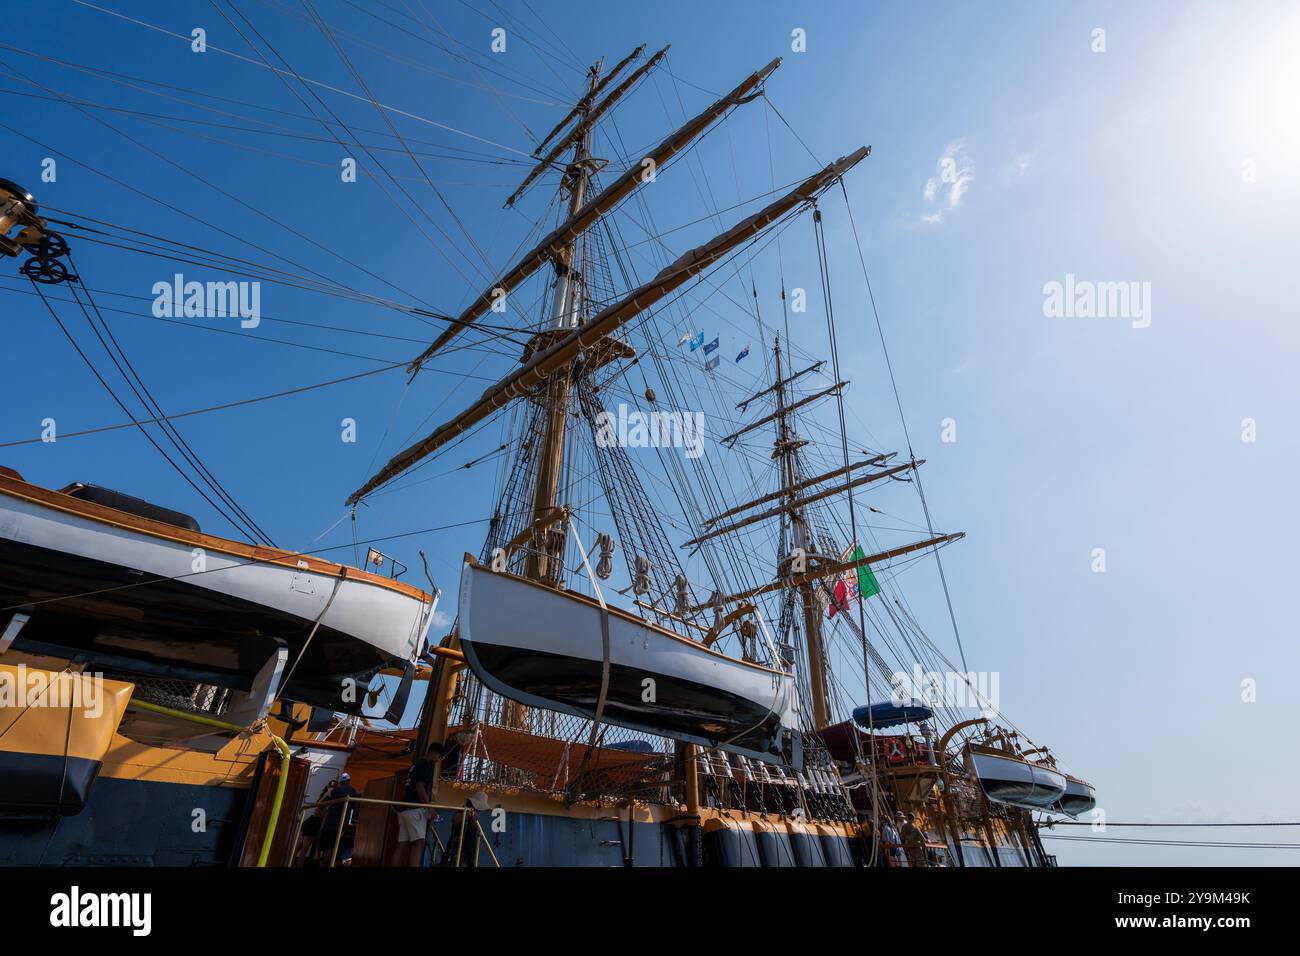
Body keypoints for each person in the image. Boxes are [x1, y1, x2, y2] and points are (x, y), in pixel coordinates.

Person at [393, 743, 442, 867]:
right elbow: (420, 786)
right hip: (415, 809)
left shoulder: (416, 764)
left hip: (404, 809)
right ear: (435, 753)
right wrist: (429, 807)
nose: (438, 761)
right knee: (419, 843)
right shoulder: (426, 764)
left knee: (401, 845)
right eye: (439, 757)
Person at [318, 772, 358, 865]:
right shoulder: (353, 791)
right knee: (336, 846)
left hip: (332, 822)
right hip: (344, 822)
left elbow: (322, 803)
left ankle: (324, 864)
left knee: (328, 847)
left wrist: (329, 791)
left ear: (340, 782)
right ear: (349, 781)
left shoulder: (337, 790)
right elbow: (354, 808)